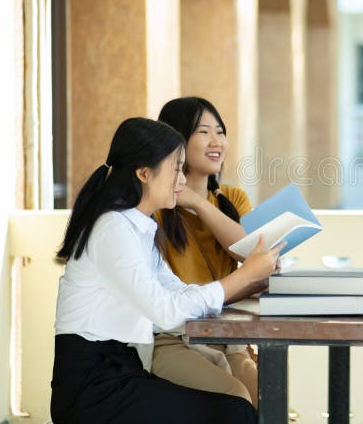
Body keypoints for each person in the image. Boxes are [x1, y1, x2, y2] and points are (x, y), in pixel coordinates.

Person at [51, 117, 282, 424]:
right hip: (92, 389)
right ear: (144, 173)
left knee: (236, 405)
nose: (183, 181)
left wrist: (247, 282)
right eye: (176, 169)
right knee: (233, 411)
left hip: (121, 372)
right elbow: (166, 312)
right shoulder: (113, 230)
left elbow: (177, 292)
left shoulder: (137, 229)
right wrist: (243, 275)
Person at [151, 96, 261, 406]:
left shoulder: (234, 199)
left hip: (228, 338)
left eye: (221, 131)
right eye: (203, 132)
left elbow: (248, 254)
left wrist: (199, 203)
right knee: (237, 399)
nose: (217, 141)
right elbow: (168, 295)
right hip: (174, 338)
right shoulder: (157, 207)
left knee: (268, 398)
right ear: (176, 140)